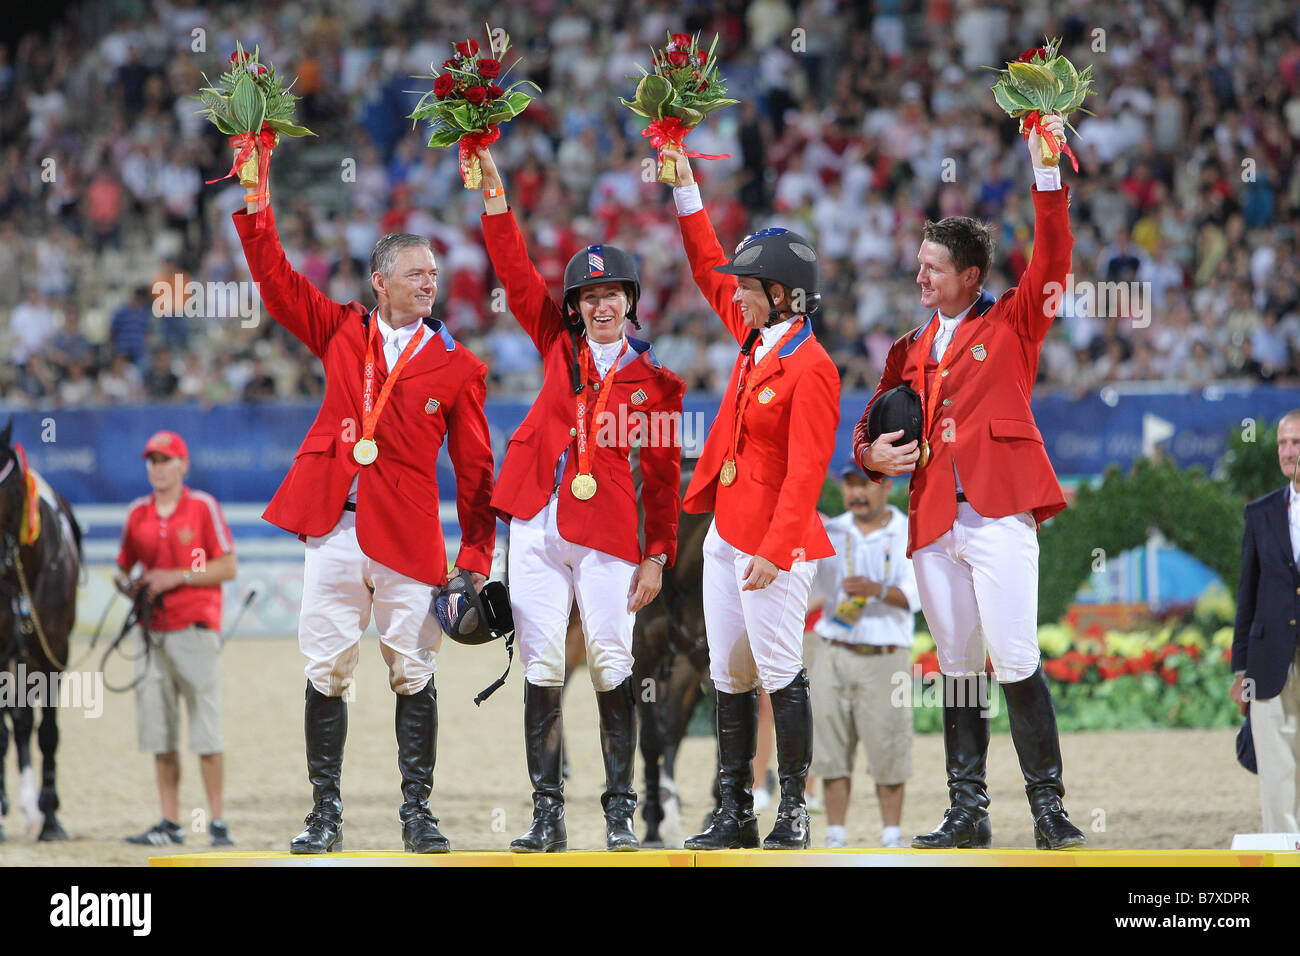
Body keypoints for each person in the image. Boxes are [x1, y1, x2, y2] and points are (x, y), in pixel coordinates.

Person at [232, 143, 496, 854]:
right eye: (415, 273)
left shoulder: (460, 368)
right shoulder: (343, 333)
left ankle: (417, 813)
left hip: (409, 538)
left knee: (414, 672)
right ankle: (326, 814)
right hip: (335, 530)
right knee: (326, 669)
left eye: (434, 275)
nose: (429, 284)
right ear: (381, 282)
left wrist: (475, 556)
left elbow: (477, 471)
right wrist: (257, 200)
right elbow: (279, 284)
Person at [853, 113, 1087, 851]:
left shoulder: (1014, 323)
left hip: (996, 515)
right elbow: (868, 429)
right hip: (931, 520)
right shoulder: (909, 345)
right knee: (957, 669)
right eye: (918, 263)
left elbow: (1053, 259)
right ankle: (968, 810)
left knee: (1015, 656)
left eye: (932, 267)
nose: (918, 275)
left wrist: (1045, 168)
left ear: (970, 279)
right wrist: (870, 459)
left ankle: (1048, 809)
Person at [474, 145, 685, 852]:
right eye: (588, 298)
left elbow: (661, 479)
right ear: (577, 308)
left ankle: (620, 814)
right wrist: (495, 194)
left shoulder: (656, 384)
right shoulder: (554, 344)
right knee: (539, 666)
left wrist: (657, 556)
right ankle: (547, 815)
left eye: (610, 296)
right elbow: (511, 265)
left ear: (629, 302)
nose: (599, 306)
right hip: (535, 521)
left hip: (607, 533)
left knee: (612, 662)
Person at [661, 146, 841, 850]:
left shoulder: (813, 367)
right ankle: (733, 809)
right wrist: (686, 189)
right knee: (728, 676)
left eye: (749, 285)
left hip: (775, 543)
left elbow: (806, 472)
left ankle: (791, 811)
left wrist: (774, 549)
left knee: (779, 673)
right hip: (725, 537)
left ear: (783, 293)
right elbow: (709, 269)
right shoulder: (755, 338)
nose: (735, 293)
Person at [117, 430, 237, 848]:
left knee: (207, 733)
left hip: (195, 632)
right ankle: (169, 822)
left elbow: (226, 566)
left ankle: (216, 821)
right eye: (152, 460)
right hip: (151, 636)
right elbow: (124, 567)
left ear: (183, 465)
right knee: (160, 734)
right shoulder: (137, 514)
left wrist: (177, 577)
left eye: (165, 459)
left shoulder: (202, 507)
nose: (157, 467)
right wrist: (129, 586)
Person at [808, 461, 919, 848]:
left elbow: (914, 598)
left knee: (889, 744)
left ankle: (891, 833)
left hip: (886, 653)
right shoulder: (831, 529)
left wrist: (875, 590)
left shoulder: (907, 529)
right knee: (830, 745)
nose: (856, 493)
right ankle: (835, 834)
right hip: (832, 649)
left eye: (865, 485)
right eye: (850, 485)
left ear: (888, 486)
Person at [1232, 410, 1300, 833]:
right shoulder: (1260, 513)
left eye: (1296, 443)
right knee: (1276, 769)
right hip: (1268, 659)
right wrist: (1241, 669)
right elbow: (1247, 594)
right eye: (1282, 443)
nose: (1289, 452)